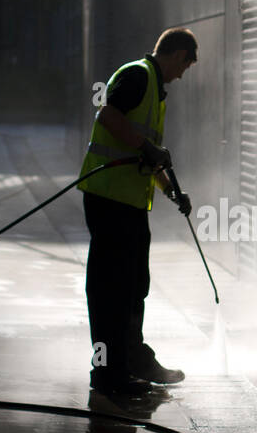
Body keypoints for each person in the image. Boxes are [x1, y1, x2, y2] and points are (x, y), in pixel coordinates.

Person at [77, 28, 196, 395]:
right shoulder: (137, 76)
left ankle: (133, 361)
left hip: (127, 203)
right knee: (111, 290)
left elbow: (146, 155)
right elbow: (108, 116)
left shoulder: (156, 92)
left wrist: (172, 190)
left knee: (132, 287)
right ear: (176, 55)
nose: (183, 74)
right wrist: (148, 146)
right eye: (185, 65)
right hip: (109, 199)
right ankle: (110, 373)